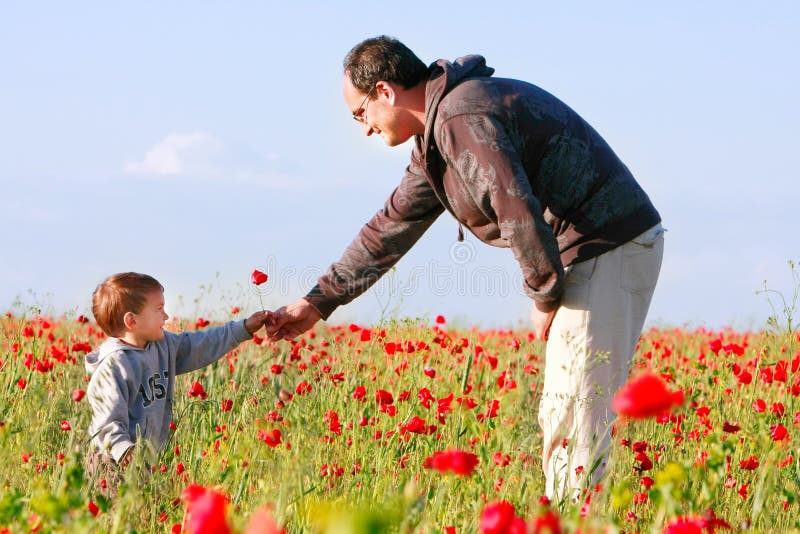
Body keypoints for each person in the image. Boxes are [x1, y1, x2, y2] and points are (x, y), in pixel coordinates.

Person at [267, 35, 664, 501]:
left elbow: (512, 204)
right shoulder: (436, 136)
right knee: (565, 412)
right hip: (585, 250)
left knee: (576, 413)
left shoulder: (460, 117)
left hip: (605, 243)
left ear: (385, 92)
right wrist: (318, 301)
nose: (365, 129)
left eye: (361, 114)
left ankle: (577, 521)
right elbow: (390, 227)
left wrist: (544, 291)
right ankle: (570, 518)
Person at [85, 272, 272, 493]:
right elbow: (107, 425)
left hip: (146, 461)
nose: (166, 316)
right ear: (132, 321)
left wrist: (244, 328)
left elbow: (200, 344)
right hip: (112, 467)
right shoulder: (113, 366)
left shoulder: (163, 345)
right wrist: (128, 455)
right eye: (159, 309)